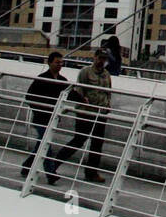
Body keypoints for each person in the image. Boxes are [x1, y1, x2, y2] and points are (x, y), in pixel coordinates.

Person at [45, 48, 113, 185]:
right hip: (86, 113)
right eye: (100, 58)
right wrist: (83, 105)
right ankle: (54, 165)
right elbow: (80, 92)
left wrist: (107, 106)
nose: (101, 61)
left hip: (100, 114)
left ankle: (91, 172)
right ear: (94, 57)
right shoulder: (85, 72)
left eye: (104, 59)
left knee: (97, 144)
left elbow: (108, 92)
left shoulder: (107, 75)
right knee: (78, 141)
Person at [20, 51, 70, 180]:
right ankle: (51, 173)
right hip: (41, 118)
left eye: (61, 62)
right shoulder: (42, 78)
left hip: (52, 118)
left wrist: (83, 100)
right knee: (46, 144)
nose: (60, 65)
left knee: (41, 144)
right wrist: (40, 108)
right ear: (49, 63)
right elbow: (29, 96)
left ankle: (27, 165)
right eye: (57, 62)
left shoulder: (63, 80)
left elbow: (71, 93)